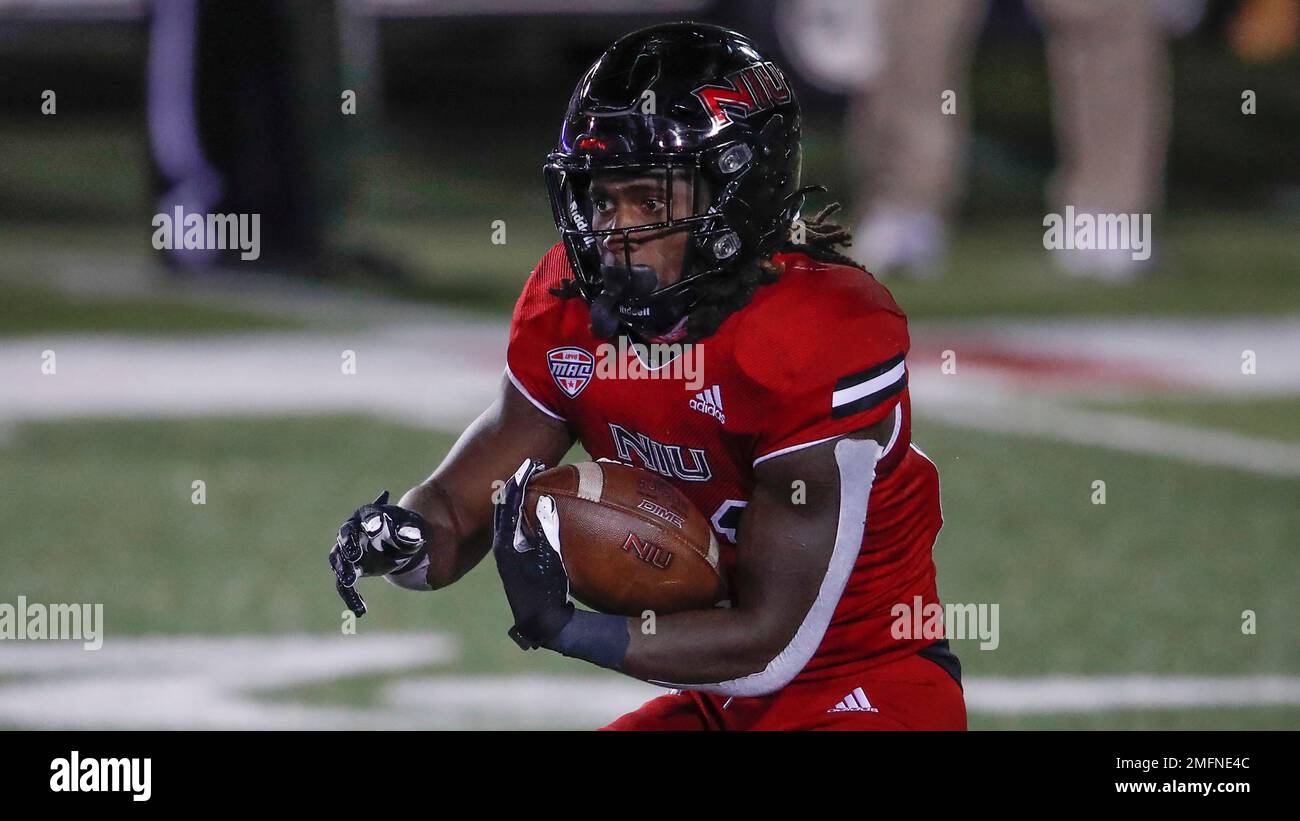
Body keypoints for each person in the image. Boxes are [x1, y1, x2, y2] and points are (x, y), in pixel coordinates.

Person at [329, 22, 965, 731]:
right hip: (726, 701)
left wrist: (570, 629)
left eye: (651, 201)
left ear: (738, 197)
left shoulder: (816, 332)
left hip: (865, 686)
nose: (616, 230)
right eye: (603, 200)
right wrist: (406, 537)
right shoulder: (568, 310)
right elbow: (459, 508)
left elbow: (773, 639)